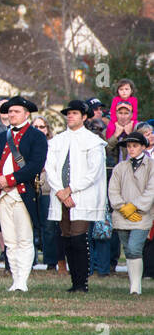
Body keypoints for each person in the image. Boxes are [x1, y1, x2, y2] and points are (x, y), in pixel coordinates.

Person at [0, 96, 48, 292]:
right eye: (10, 112)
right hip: (3, 194)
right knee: (10, 240)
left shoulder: (36, 137)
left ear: (26, 114)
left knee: (25, 239)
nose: (12, 114)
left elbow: (35, 165)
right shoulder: (2, 137)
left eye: (16, 111)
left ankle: (22, 281)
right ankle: (15, 279)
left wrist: (10, 180)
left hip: (23, 193)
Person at [43, 100, 107, 293]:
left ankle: (82, 283)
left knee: (79, 238)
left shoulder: (93, 141)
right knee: (67, 238)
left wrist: (70, 189)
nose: (70, 116)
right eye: (69, 113)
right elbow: (51, 168)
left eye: (75, 113)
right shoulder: (57, 141)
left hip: (82, 196)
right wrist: (61, 192)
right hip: (61, 196)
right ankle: (74, 281)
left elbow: (93, 172)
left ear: (84, 117)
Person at [108, 132, 153, 295]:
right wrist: (122, 207)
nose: (131, 149)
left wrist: (134, 206)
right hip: (121, 215)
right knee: (127, 249)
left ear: (143, 146)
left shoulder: (151, 166)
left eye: (135, 146)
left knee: (135, 248)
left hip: (142, 215)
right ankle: (133, 283)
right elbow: (113, 190)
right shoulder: (121, 167)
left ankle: (136, 287)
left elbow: (151, 190)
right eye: (129, 146)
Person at [29, 116, 60, 271]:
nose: (39, 129)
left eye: (42, 127)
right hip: (30, 189)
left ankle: (50, 261)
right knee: (31, 225)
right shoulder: (28, 144)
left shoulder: (53, 146)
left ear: (47, 129)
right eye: (36, 126)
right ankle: (31, 260)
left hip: (47, 189)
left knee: (48, 227)